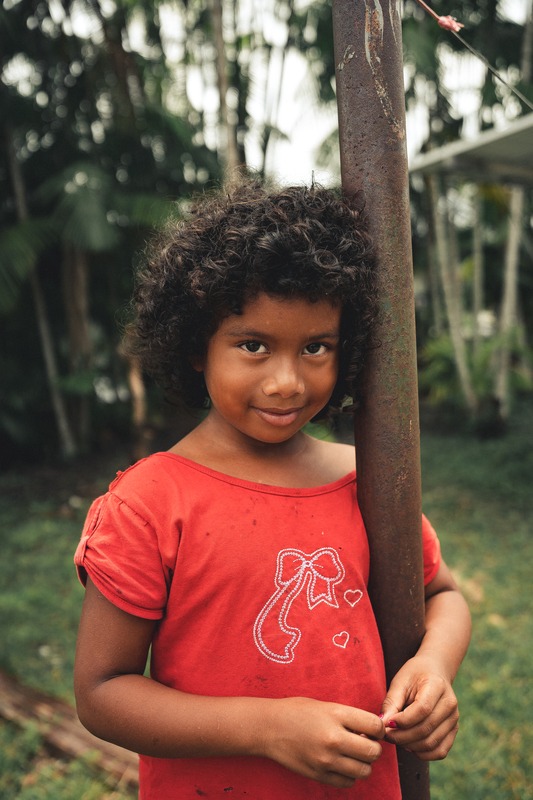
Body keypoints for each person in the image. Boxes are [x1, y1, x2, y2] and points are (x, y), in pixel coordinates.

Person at [74, 180, 471, 799]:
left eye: (316, 347)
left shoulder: (367, 483)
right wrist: (268, 727)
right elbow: (102, 693)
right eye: (253, 345)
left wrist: (434, 666)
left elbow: (443, 595)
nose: (287, 382)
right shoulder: (149, 504)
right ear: (196, 346)